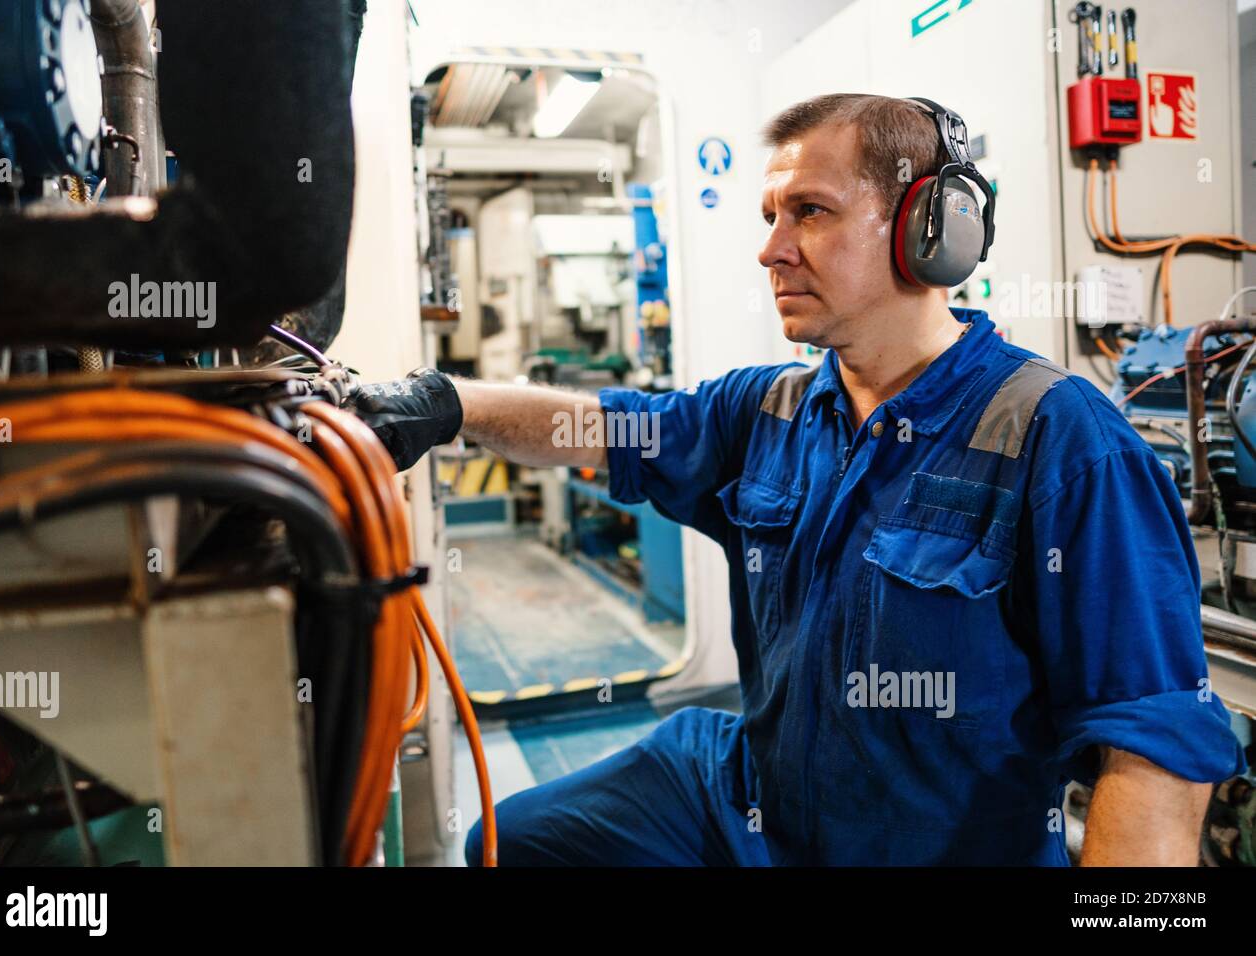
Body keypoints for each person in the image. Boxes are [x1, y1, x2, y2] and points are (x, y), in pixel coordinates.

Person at [348, 93, 1246, 865]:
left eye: (809, 212)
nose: (771, 250)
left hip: (929, 847)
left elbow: (1155, 747)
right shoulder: (769, 408)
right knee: (514, 843)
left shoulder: (1058, 440)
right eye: (770, 215)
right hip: (754, 791)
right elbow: (603, 426)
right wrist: (446, 405)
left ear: (928, 231)